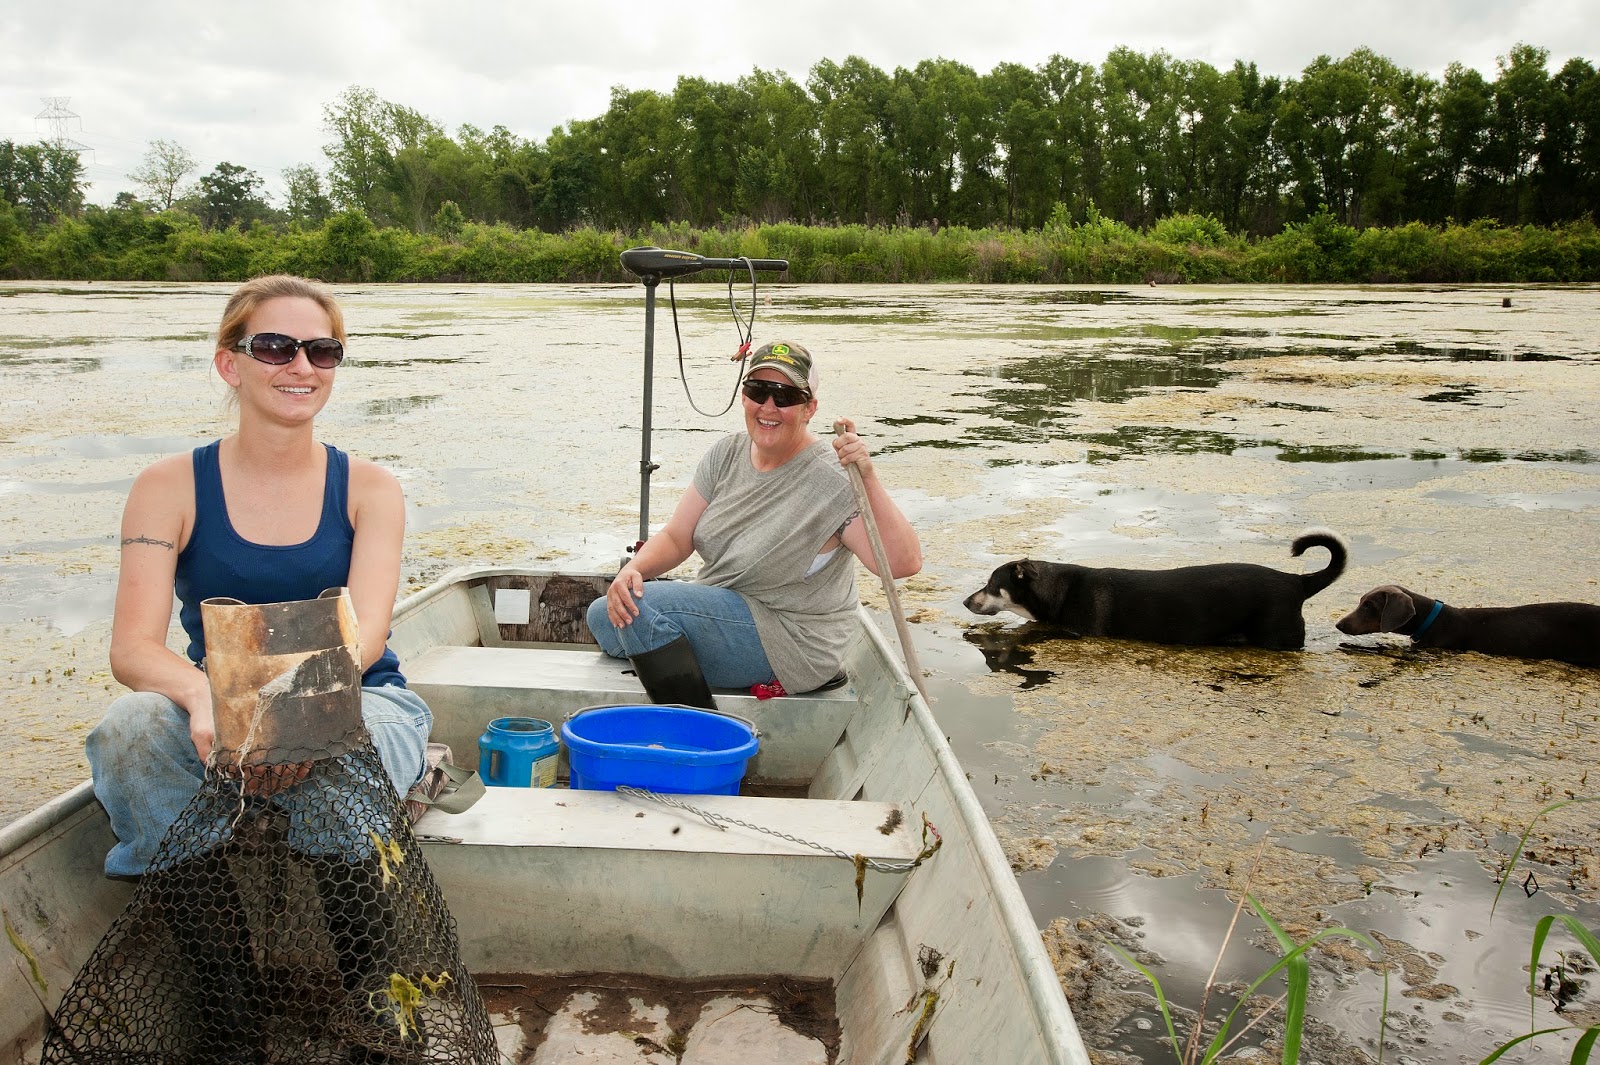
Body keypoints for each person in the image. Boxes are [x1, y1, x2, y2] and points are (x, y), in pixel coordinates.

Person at [86, 274, 431, 881]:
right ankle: (216, 962)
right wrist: (204, 699)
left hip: (362, 699)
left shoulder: (370, 489)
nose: (301, 366)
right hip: (217, 707)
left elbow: (366, 638)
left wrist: (286, 722)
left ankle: (363, 966)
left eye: (322, 351)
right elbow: (132, 649)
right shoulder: (166, 488)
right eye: (275, 347)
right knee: (130, 729)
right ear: (230, 364)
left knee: (347, 753)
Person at [586, 340, 922, 704]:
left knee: (644, 609)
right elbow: (677, 537)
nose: (768, 407)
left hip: (791, 640)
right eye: (758, 391)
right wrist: (633, 570)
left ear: (809, 408)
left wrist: (868, 478)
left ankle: (696, 731)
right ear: (744, 397)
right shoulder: (726, 453)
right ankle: (678, 671)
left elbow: (903, 564)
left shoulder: (834, 478)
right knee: (605, 613)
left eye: (785, 396)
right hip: (725, 605)